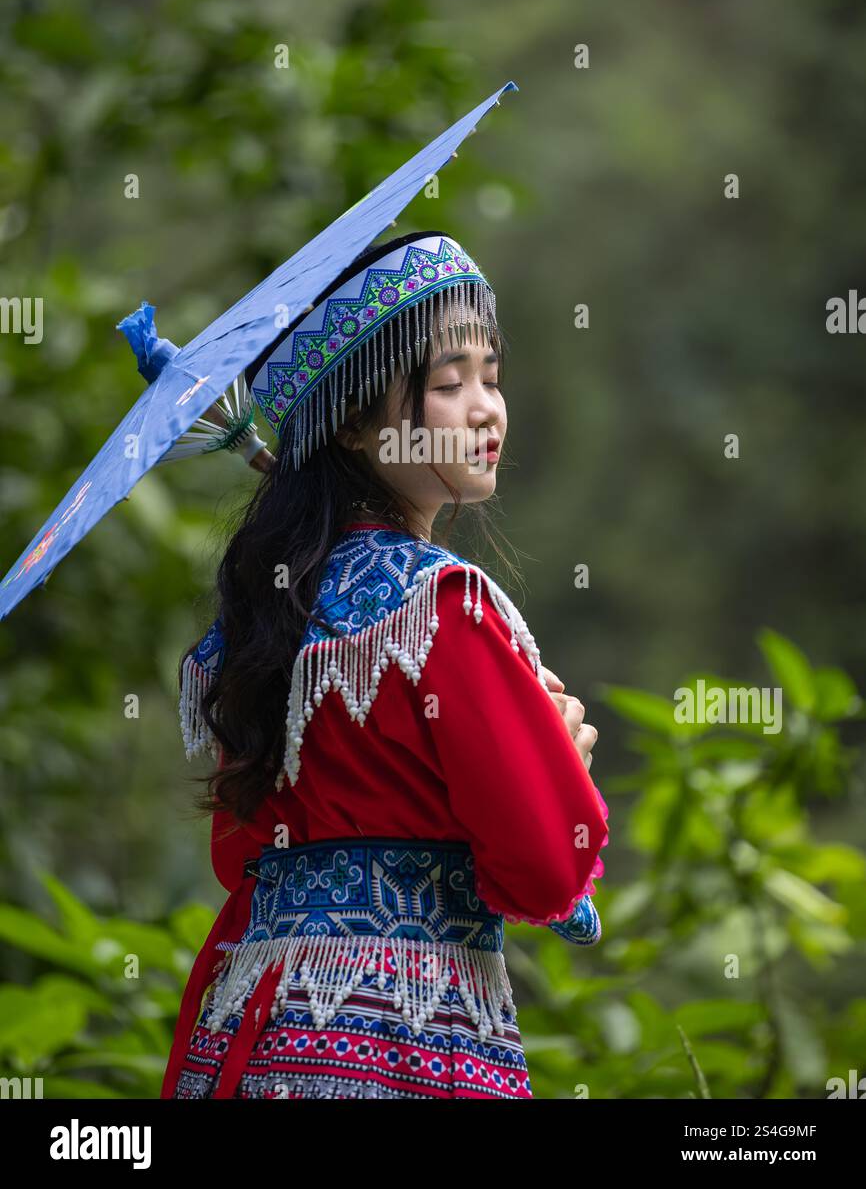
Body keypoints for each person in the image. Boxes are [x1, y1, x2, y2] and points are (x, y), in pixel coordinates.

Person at [161, 230, 609, 1100]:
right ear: (359, 422)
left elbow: (238, 856)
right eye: (448, 383)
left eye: (492, 375)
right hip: (404, 1042)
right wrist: (563, 762)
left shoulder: (261, 618)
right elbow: (547, 871)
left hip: (255, 1041)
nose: (486, 408)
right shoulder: (443, 609)